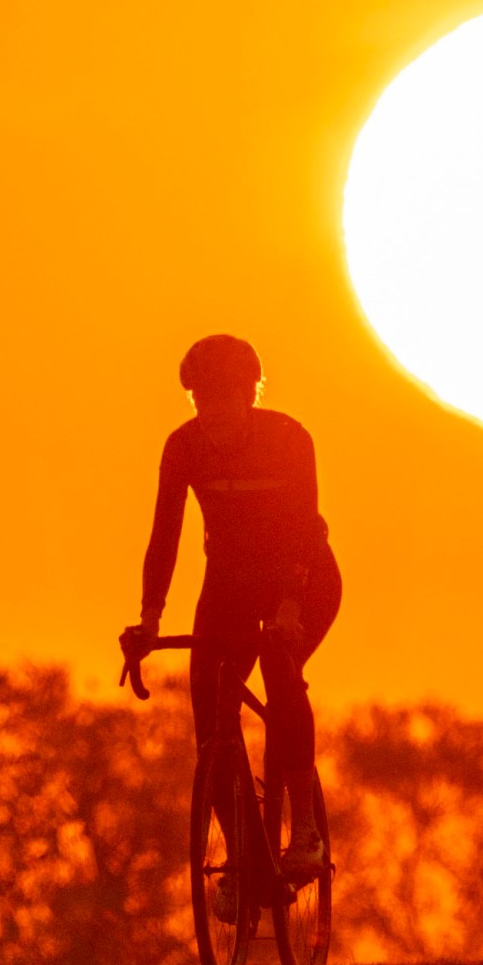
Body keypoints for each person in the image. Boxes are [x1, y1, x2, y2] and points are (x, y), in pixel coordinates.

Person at [127, 335, 342, 920]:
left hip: (304, 577)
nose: (211, 413)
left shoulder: (289, 439)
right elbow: (164, 535)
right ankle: (247, 856)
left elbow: (302, 528)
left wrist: (292, 607)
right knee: (209, 713)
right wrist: (149, 618)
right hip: (227, 581)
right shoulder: (184, 446)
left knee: (279, 668)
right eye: (200, 401)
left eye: (222, 400)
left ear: (251, 394)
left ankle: (304, 832)